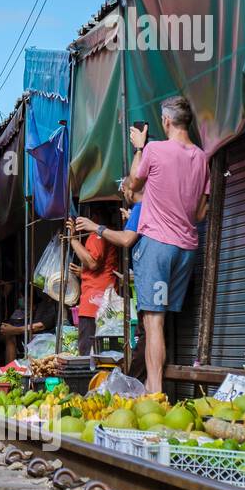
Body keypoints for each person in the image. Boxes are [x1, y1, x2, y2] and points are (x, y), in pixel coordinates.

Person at [126, 95, 210, 393]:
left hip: (157, 247)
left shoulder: (154, 150)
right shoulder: (201, 157)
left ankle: (155, 392)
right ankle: (155, 386)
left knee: (153, 321)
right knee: (162, 319)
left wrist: (139, 147)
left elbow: (133, 187)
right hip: (186, 248)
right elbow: (201, 212)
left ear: (165, 121)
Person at [67, 206, 119, 355]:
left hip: (93, 305)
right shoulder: (108, 233)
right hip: (102, 302)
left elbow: (93, 262)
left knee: (87, 353)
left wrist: (73, 240)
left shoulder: (97, 235)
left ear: (93, 217)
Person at [0, 287, 59, 363]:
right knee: (8, 337)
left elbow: (40, 326)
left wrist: (14, 330)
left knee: (10, 336)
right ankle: (10, 369)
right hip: (30, 336)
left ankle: (10, 370)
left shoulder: (52, 307)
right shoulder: (37, 306)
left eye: (21, 297)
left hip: (44, 339)